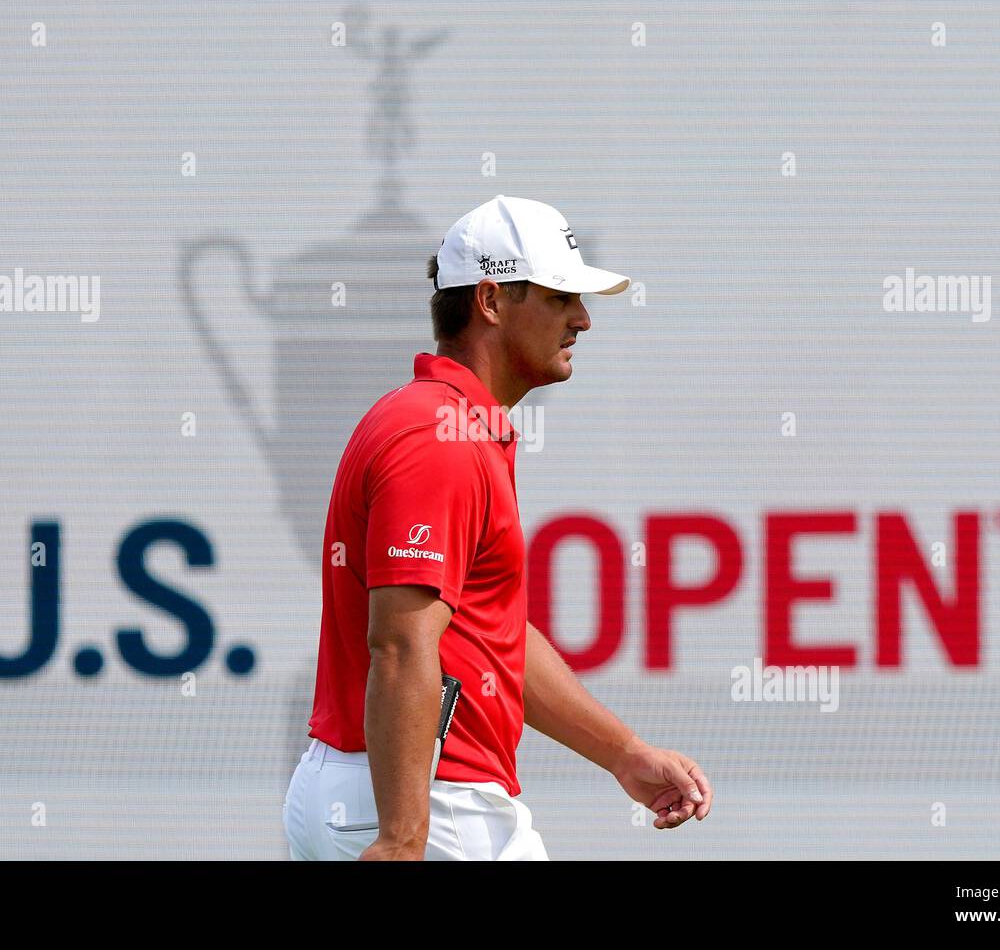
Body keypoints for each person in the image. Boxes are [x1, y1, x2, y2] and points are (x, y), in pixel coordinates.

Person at [281, 195, 713, 860]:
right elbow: (400, 644)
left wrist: (623, 755)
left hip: (393, 798)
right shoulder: (438, 435)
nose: (584, 320)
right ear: (490, 300)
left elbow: (487, 635)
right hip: (430, 806)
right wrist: (402, 840)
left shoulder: (449, 423)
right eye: (560, 296)